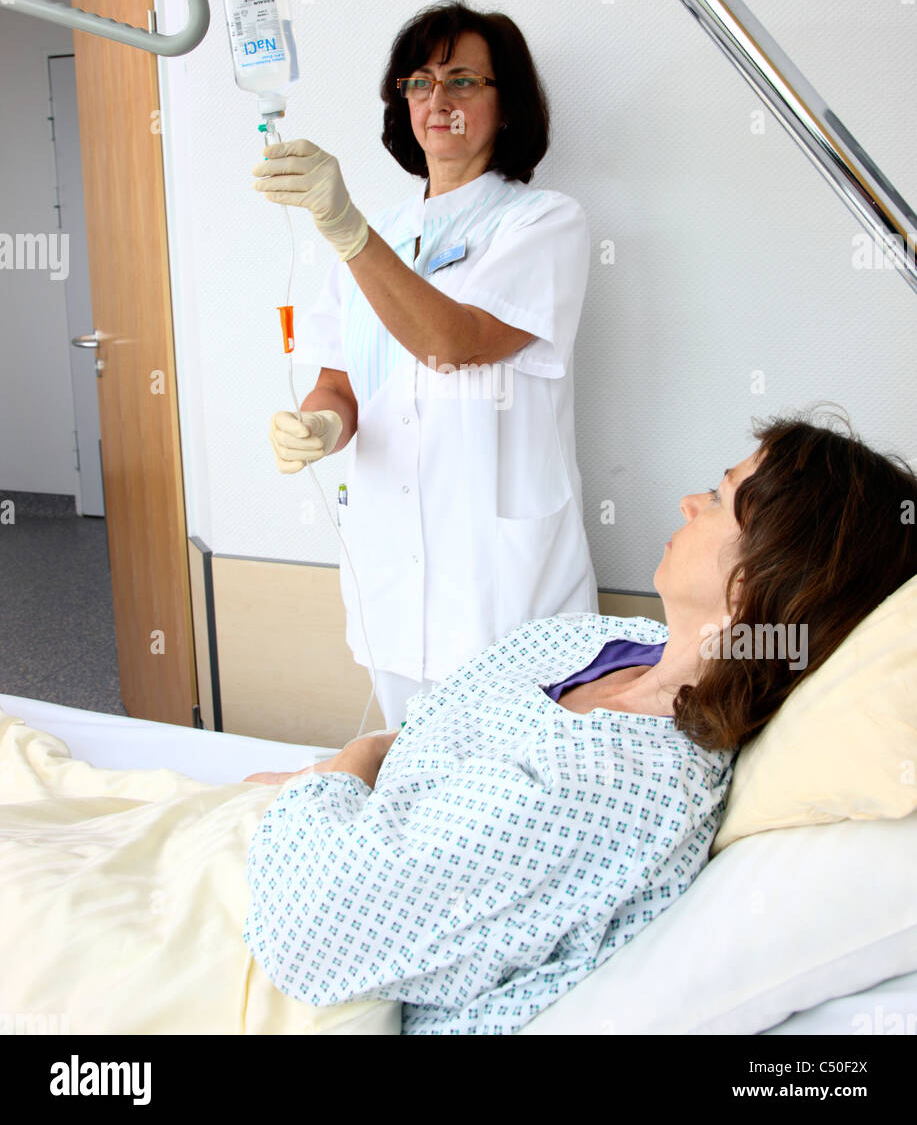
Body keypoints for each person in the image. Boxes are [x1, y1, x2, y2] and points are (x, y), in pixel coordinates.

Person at [242, 411, 917, 1034]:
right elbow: (423, 737)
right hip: (291, 835)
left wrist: (347, 766)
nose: (688, 502)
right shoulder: (603, 643)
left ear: (751, 581)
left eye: (717, 497)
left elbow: (312, 939)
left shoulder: (629, 783)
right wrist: (344, 772)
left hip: (284, 941)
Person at [251, 0, 597, 728]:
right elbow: (339, 381)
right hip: (390, 567)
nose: (436, 100)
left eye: (462, 80)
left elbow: (454, 343)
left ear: (507, 108)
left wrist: (345, 230)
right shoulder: (382, 237)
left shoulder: (543, 223)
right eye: (418, 82)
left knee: (513, 786)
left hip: (501, 576)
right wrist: (320, 425)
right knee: (410, 763)